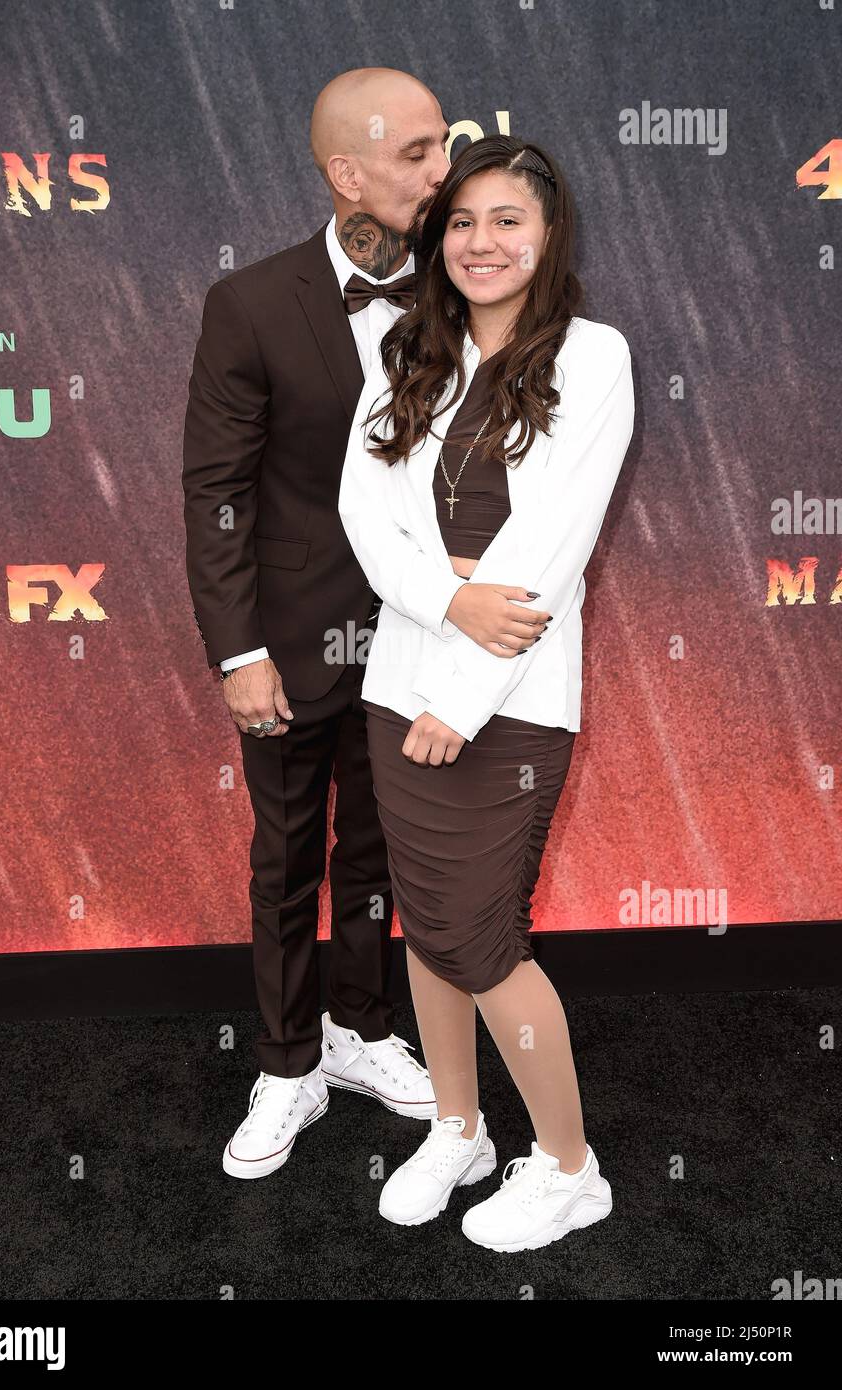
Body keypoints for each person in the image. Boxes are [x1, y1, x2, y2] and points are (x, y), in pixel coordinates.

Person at [338, 134, 634, 1249]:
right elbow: (370, 518)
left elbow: (549, 547)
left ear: (548, 233)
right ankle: (456, 1126)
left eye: (508, 218)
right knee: (427, 929)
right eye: (462, 221)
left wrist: (459, 694)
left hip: (501, 706)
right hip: (398, 683)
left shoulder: (592, 357)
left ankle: (569, 1165)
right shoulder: (402, 348)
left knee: (483, 939)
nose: (481, 241)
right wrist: (445, 596)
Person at [182, 68, 460, 1179]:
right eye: (420, 154)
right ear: (346, 173)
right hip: (291, 646)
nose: (444, 171)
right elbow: (218, 492)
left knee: (379, 855)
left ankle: (360, 1029)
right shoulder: (249, 302)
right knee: (287, 856)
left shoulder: (463, 282)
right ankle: (288, 1064)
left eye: (445, 149)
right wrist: (238, 650)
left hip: (419, 640)